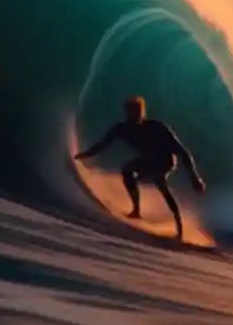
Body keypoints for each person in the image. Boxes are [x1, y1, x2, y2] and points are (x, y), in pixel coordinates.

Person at [73, 96, 206, 239]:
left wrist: (194, 177)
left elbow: (182, 151)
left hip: (165, 159)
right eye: (130, 112)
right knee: (127, 170)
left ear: (142, 112)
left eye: (137, 111)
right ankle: (136, 210)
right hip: (148, 158)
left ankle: (179, 227)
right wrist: (86, 154)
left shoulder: (156, 127)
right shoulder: (122, 129)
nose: (133, 115)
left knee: (159, 182)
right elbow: (103, 144)